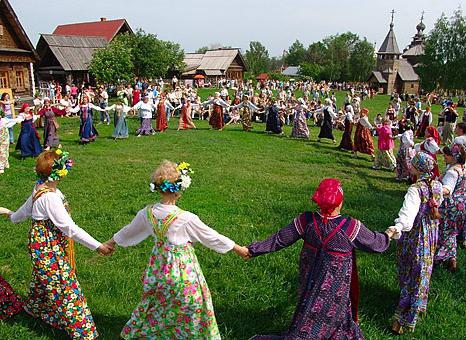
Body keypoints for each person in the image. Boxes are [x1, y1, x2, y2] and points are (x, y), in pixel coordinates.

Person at [103, 161, 249, 338]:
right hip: (182, 268)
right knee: (192, 302)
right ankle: (190, 333)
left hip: (158, 266)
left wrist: (111, 241)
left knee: (158, 300)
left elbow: (129, 231)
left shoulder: (147, 213)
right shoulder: (185, 218)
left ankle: (154, 330)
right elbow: (211, 236)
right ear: (179, 191)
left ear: (157, 188)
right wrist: (238, 248)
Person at [248, 178, 393, 339]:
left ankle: (327, 327)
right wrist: (388, 235)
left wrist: (252, 250)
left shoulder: (306, 220)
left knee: (308, 301)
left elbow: (280, 238)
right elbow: (376, 244)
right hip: (335, 284)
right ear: (339, 202)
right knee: (330, 306)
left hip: (309, 275)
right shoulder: (349, 227)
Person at [0, 150, 113, 339]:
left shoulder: (41, 188)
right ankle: (83, 331)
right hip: (48, 245)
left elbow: (23, 212)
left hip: (45, 243)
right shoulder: (49, 197)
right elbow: (69, 228)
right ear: (60, 172)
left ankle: (36, 308)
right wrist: (98, 246)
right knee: (64, 285)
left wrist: (10, 215)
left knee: (45, 277)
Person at [387, 152, 443, 334]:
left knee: (410, 271)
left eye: (412, 163)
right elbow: (437, 204)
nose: (409, 164)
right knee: (423, 271)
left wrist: (396, 227)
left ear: (418, 168)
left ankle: (404, 315)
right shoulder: (437, 186)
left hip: (415, 237)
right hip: (431, 235)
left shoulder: (415, 189)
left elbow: (408, 219)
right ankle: (419, 304)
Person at [435, 144, 466, 271]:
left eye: (446, 155)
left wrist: (433, 189)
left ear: (454, 156)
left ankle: (439, 257)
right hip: (461, 206)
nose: (444, 157)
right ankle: (452, 258)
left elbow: (447, 190)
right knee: (452, 232)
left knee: (443, 231)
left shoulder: (452, 172)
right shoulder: (462, 168)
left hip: (449, 207)